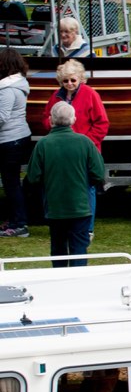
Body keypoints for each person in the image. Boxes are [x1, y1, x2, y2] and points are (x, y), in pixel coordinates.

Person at [25, 101, 105, 266]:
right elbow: (98, 174)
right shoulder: (85, 142)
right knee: (79, 250)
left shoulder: (43, 145)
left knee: (58, 250)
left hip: (55, 208)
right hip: (80, 206)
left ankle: (59, 284)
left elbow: (32, 177)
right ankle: (77, 286)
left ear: (51, 120)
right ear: (74, 119)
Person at [0, 48, 30, 238]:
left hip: (10, 141)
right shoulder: (17, 84)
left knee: (11, 184)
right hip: (16, 138)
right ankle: (16, 220)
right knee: (12, 183)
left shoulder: (7, 89)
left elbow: (1, 117)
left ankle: (19, 224)